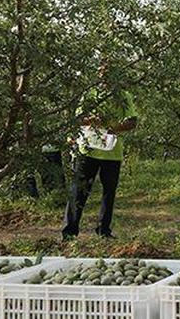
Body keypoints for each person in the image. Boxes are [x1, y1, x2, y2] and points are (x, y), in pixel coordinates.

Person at [62, 67, 138, 240]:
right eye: (102, 74)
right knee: (78, 191)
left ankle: (104, 231)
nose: (105, 78)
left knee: (108, 192)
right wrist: (91, 120)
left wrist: (112, 127)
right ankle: (69, 231)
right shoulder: (90, 95)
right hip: (87, 150)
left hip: (111, 152)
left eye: (109, 74)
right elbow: (78, 119)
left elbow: (132, 122)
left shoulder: (124, 96)